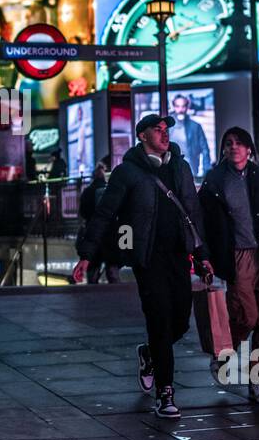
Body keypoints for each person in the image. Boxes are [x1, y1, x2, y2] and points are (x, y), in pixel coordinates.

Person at [73, 114, 213, 420]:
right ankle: (166, 392)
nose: (164, 135)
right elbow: (105, 213)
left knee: (180, 322)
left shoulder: (180, 166)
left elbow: (193, 212)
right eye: (157, 130)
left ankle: (149, 353)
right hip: (147, 259)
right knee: (160, 320)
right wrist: (87, 254)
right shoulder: (127, 173)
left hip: (179, 256)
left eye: (166, 130)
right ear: (142, 136)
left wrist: (202, 254)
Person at [200, 127, 259, 404]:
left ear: (250, 149)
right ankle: (223, 354)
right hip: (236, 256)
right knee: (246, 316)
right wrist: (204, 256)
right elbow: (204, 223)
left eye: (239, 143)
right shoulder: (215, 181)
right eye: (228, 144)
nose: (234, 148)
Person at [78, 160, 119, 284]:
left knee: (93, 271)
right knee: (112, 269)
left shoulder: (87, 192)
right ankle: (117, 296)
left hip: (93, 233)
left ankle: (93, 293)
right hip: (110, 235)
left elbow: (83, 212)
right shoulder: (110, 191)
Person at [169, 93, 213, 177]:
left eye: (183, 106)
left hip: (191, 170)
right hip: (171, 171)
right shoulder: (168, 128)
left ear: (187, 107)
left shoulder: (196, 126)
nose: (180, 109)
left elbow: (205, 149)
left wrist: (207, 171)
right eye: (178, 106)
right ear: (174, 107)